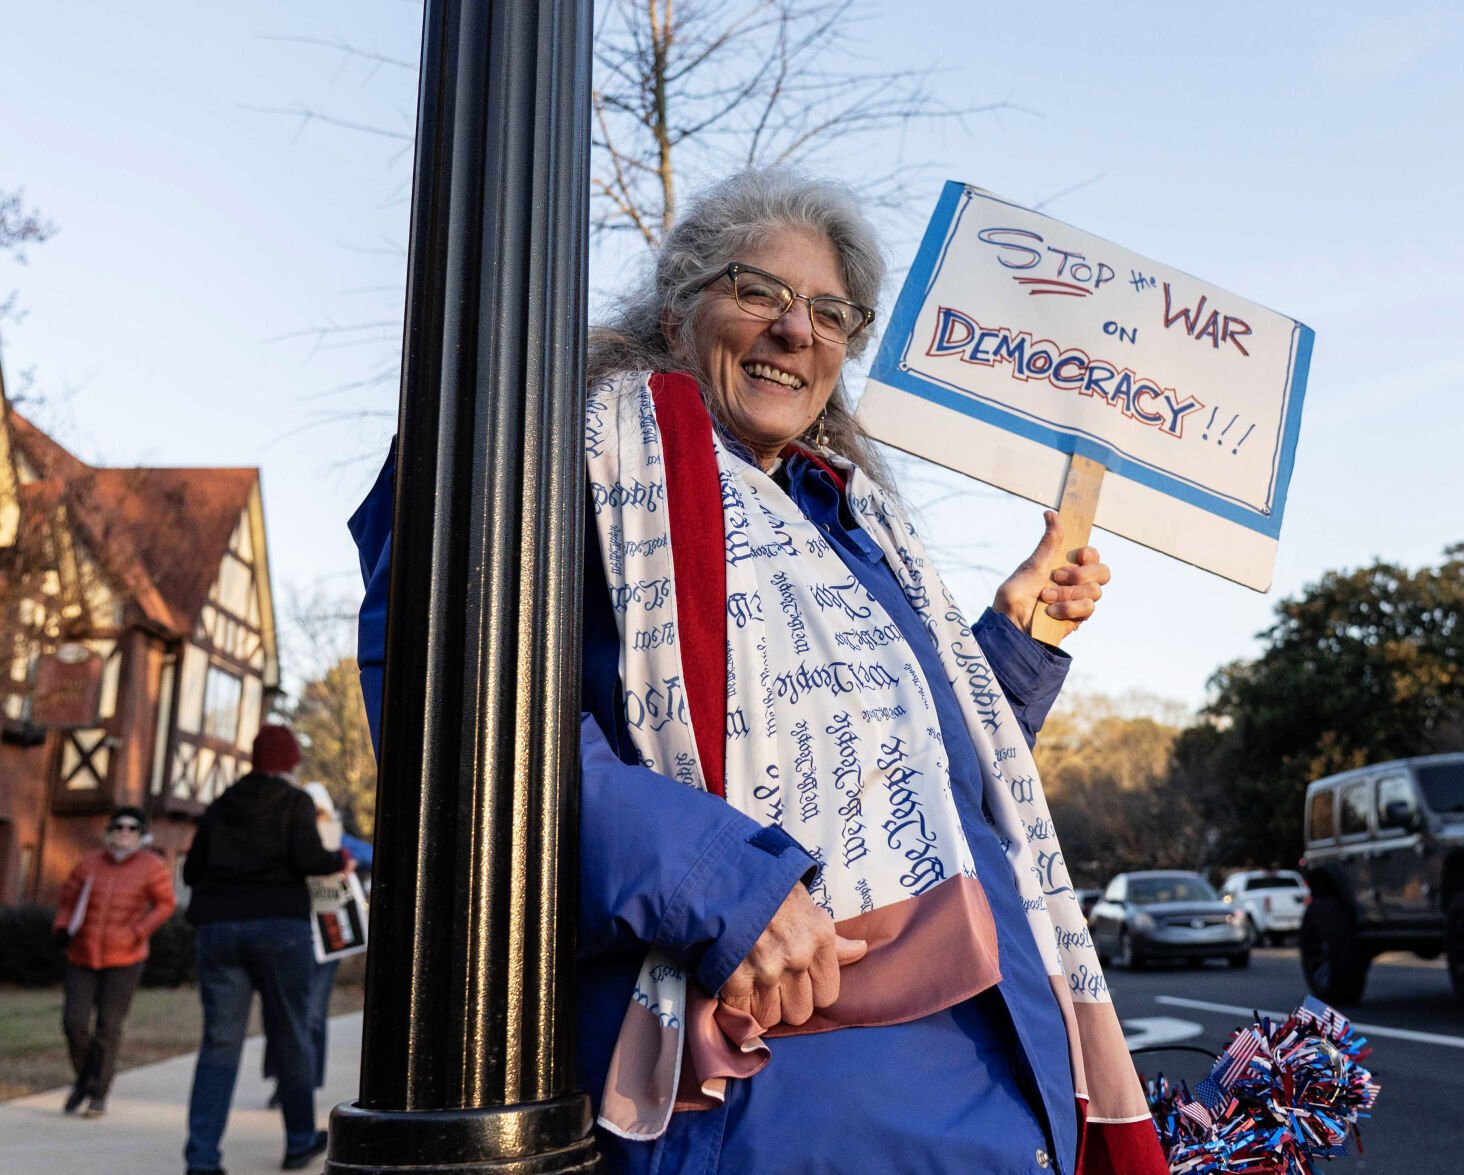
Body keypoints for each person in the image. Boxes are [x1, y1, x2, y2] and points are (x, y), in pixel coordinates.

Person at [350, 169, 1163, 1173]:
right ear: (673, 306)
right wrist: (723, 884)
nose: (795, 329)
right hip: (780, 1107)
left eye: (829, 312)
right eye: (755, 291)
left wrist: (1013, 637)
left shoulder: (858, 528)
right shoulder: (556, 451)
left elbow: (918, 788)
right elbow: (462, 715)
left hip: (997, 1078)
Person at [181, 724, 346, 1175]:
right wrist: (338, 862)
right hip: (279, 928)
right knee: (292, 1032)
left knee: (218, 1043)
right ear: (290, 761)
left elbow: (193, 871)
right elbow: (312, 860)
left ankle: (201, 1157)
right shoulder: (295, 803)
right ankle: (297, 1141)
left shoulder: (220, 804)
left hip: (218, 930)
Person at [51, 804, 175, 1118]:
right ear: (109, 832)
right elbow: (68, 902)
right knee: (74, 1023)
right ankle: (84, 1077)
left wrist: (138, 932)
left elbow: (165, 904)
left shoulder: (152, 866)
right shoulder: (88, 863)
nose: (124, 832)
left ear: (141, 835)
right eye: (118, 827)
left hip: (125, 958)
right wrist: (62, 928)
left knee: (108, 1027)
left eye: (132, 828)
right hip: (82, 954)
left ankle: (97, 1093)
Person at [262, 782, 369, 1111]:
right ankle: (286, 1080)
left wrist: (347, 864)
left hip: (328, 937)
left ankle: (304, 1082)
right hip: (291, 935)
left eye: (318, 811)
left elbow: (372, 854)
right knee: (285, 1014)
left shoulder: (338, 841)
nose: (312, 817)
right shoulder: (283, 838)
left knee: (311, 1016)